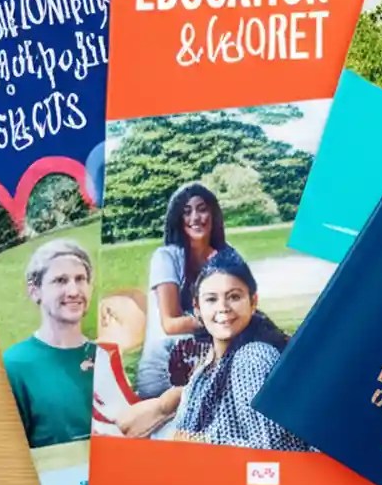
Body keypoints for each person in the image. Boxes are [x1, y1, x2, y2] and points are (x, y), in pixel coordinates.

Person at [124, 250, 311, 451]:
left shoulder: (252, 359)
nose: (223, 307)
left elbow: (273, 452)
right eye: (211, 299)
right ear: (197, 307)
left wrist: (200, 441)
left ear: (253, 301)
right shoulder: (208, 366)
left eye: (234, 297)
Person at [135, 182, 237, 399]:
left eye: (202, 209)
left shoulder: (228, 256)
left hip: (208, 358)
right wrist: (222, 318)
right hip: (166, 366)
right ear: (178, 219)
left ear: (213, 214)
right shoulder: (167, 257)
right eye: (186, 212)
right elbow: (170, 324)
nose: (195, 218)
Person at [3, 239, 97, 449]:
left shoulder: (105, 357)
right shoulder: (14, 365)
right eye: (61, 280)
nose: (73, 291)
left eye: (80, 279)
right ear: (35, 291)